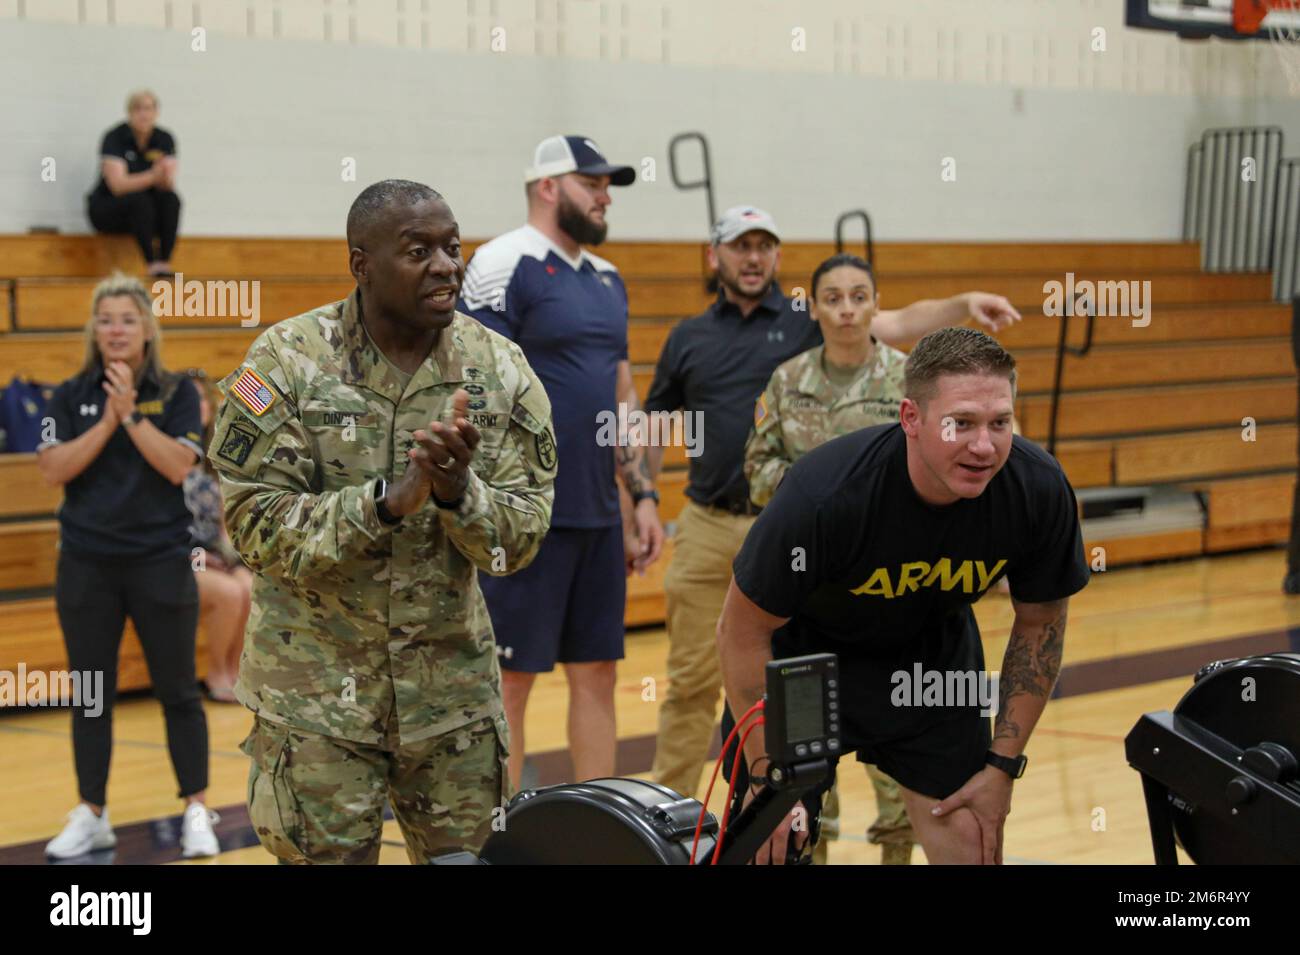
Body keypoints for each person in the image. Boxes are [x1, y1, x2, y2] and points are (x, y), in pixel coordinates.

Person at [209, 179, 556, 864]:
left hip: (451, 704)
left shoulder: (499, 368)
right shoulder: (287, 362)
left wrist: (460, 494)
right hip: (316, 710)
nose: (445, 265)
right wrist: (383, 503)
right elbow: (252, 523)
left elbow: (521, 534)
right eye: (418, 250)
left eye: (453, 247)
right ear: (361, 263)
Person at [644, 206, 1022, 803]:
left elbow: (896, 319)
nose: (753, 257)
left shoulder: (806, 318)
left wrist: (965, 300)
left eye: (764, 246)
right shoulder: (689, 337)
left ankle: (807, 814)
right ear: (715, 256)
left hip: (810, 551)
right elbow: (657, 419)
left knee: (808, 688)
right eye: (740, 247)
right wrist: (642, 495)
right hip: (711, 522)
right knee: (690, 681)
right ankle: (667, 813)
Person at [718, 327, 1090, 864]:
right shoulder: (825, 494)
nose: (983, 446)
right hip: (807, 662)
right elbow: (741, 632)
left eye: (999, 423)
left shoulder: (1037, 489)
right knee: (771, 844)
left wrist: (1002, 768)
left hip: (930, 664)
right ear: (911, 418)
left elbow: (1040, 626)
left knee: (973, 838)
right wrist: (768, 779)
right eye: (960, 423)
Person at [459, 135, 663, 788]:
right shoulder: (499, 263)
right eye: (593, 184)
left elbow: (622, 395)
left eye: (609, 187)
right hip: (525, 518)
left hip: (598, 517)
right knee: (511, 680)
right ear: (548, 186)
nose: (606, 197)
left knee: (598, 672)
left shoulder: (609, 280)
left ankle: (601, 827)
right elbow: (471, 384)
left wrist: (642, 497)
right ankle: (500, 834)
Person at [37, 272, 218, 860]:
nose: (115, 329)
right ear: (94, 328)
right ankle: (93, 812)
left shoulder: (177, 392)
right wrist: (109, 419)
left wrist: (133, 416)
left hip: (159, 562)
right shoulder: (65, 396)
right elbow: (54, 467)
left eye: (127, 319)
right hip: (87, 565)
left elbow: (176, 468)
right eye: (106, 319)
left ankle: (196, 808)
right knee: (91, 694)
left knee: (178, 692)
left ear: (146, 330)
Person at [742, 252, 914, 865]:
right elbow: (757, 468)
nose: (846, 310)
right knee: (809, 758)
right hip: (805, 595)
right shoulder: (787, 381)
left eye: (858, 296)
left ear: (874, 304)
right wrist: (820, 500)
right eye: (832, 298)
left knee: (899, 762)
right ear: (813, 308)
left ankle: (899, 853)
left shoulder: (908, 381)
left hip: (889, 595)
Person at [182, 369, 252, 703]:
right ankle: (215, 671)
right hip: (177, 558)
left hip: (214, 555)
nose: (194, 406)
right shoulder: (166, 456)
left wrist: (233, 560)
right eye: (185, 399)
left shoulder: (215, 459)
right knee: (227, 593)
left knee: (249, 586)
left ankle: (236, 670)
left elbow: (227, 525)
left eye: (200, 399)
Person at [87, 89, 180, 276]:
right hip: (110, 209)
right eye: (138, 109)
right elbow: (118, 185)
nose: (144, 114)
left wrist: (162, 176)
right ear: (129, 112)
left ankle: (164, 261)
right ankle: (150, 262)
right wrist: (153, 176)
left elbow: (167, 183)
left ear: (156, 112)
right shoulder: (115, 138)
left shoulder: (164, 139)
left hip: (146, 214)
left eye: (148, 108)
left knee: (171, 199)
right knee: (139, 201)